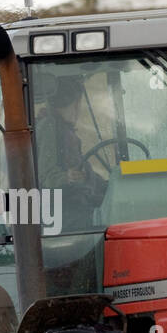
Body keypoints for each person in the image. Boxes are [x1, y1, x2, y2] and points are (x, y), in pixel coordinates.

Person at [36, 76, 106, 226]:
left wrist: (111, 183)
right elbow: (46, 176)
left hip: (71, 203)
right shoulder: (49, 126)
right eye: (78, 103)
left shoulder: (62, 129)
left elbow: (81, 170)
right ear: (74, 103)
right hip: (62, 212)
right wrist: (67, 177)